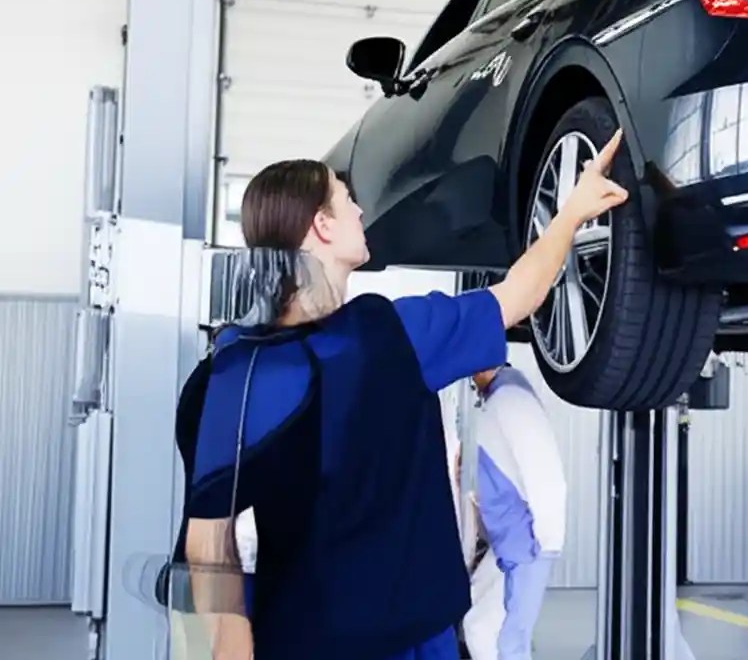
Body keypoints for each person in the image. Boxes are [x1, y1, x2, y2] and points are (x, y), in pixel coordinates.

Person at [181, 129, 627, 660]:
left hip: (299, 638)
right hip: (412, 642)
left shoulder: (228, 375)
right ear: (321, 225)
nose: (362, 211)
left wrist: (231, 646)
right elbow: (518, 294)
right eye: (347, 202)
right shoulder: (394, 334)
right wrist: (571, 211)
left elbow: (210, 539)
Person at [461, 365, 567, 660]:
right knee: (478, 625)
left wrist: (544, 542)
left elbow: (544, 475)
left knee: (508, 642)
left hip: (526, 545)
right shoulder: (500, 400)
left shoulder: (511, 401)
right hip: (509, 542)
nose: (470, 381)